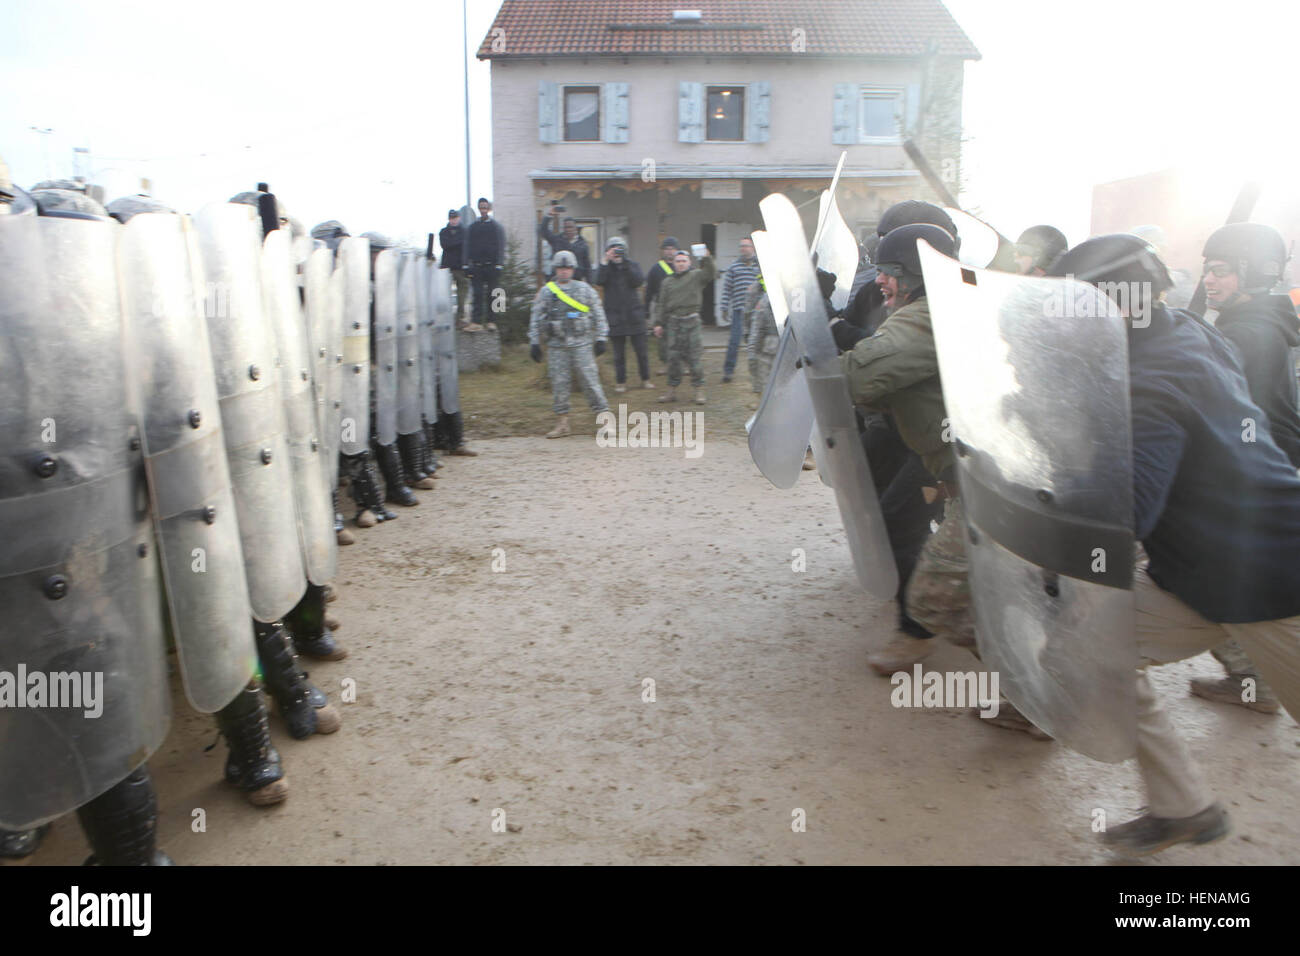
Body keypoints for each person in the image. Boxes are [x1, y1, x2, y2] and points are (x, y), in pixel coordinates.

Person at [1043, 234, 1300, 854]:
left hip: (1278, 580)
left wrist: (1056, 486)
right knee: (1091, 649)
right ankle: (1183, 808)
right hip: (1202, 574)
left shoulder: (1149, 385)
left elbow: (1124, 512)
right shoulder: (1187, 331)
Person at [1188, 222, 1300, 713]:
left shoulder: (1250, 333)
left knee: (1205, 577)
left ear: (1254, 274)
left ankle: (1255, 679)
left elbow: (1233, 420)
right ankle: (1251, 678)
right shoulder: (1256, 324)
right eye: (1208, 271)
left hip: (1254, 485)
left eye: (1223, 272)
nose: (1210, 281)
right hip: (1260, 480)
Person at [530, 250, 610, 438]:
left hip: (581, 344)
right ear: (555, 269)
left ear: (573, 269)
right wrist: (534, 342)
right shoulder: (547, 291)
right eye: (560, 268)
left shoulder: (585, 289)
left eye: (567, 268)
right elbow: (535, 317)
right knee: (559, 385)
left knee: (591, 383)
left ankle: (605, 421)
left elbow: (598, 314)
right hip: (557, 346)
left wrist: (601, 337)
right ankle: (563, 424)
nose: (564, 271)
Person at [654, 247, 716, 405]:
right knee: (673, 358)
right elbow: (661, 304)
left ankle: (699, 391)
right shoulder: (667, 282)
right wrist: (658, 323)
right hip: (673, 323)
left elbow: (710, 273)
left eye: (683, 261)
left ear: (689, 263)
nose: (680, 264)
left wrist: (707, 257)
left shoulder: (696, 276)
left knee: (694, 358)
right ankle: (671, 391)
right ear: (673, 263)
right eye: (678, 261)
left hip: (692, 322)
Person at [593, 236, 650, 392]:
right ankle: (621, 382)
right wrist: (605, 262)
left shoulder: (632, 265)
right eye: (613, 249)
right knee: (618, 355)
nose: (617, 252)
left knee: (641, 352)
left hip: (634, 315)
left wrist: (625, 264)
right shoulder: (605, 267)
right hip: (615, 316)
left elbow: (638, 281)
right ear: (608, 251)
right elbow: (598, 281)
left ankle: (645, 379)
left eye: (619, 249)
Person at [719, 237, 761, 383]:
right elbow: (727, 289)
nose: (744, 248)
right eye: (741, 246)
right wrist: (724, 307)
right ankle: (728, 371)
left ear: (753, 248)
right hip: (739, 311)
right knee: (734, 341)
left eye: (747, 246)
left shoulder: (761, 265)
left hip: (757, 311)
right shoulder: (734, 267)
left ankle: (757, 373)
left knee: (756, 342)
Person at [466, 197, 505, 331]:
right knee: (477, 294)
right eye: (481, 207)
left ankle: (491, 321)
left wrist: (499, 264)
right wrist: (466, 264)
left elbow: (501, 245)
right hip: (476, 266)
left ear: (488, 209)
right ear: (478, 208)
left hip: (492, 266)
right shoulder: (472, 227)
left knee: (494, 294)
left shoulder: (496, 227)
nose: (483, 210)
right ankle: (476, 322)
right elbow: (467, 246)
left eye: (485, 207)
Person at [644, 237, 680, 374]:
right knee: (663, 337)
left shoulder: (682, 265)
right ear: (662, 251)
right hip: (662, 307)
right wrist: (646, 312)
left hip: (679, 306)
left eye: (672, 249)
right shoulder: (656, 269)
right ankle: (665, 363)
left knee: (682, 336)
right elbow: (648, 292)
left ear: (677, 250)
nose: (670, 252)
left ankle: (684, 363)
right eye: (667, 249)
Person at [439, 208, 471, 328]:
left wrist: (454, 243)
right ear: (449, 219)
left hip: (460, 266)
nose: (453, 220)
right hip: (446, 267)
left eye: (455, 218)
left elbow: (465, 246)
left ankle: (460, 318)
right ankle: (443, 319)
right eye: (451, 218)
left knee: (462, 292)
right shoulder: (443, 232)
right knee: (443, 294)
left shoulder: (464, 231)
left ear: (459, 218)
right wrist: (458, 242)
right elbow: (445, 245)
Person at [538, 211, 592, 281]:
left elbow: (587, 265)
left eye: (570, 227)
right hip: (558, 281)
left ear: (575, 228)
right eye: (566, 227)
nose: (568, 229)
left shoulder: (583, 244)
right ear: (563, 228)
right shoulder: (557, 240)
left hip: (576, 281)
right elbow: (543, 231)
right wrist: (549, 216)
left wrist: (589, 282)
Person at [745, 274, 777, 393]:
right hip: (769, 350)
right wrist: (752, 353)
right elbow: (756, 328)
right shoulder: (764, 300)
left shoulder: (797, 297)